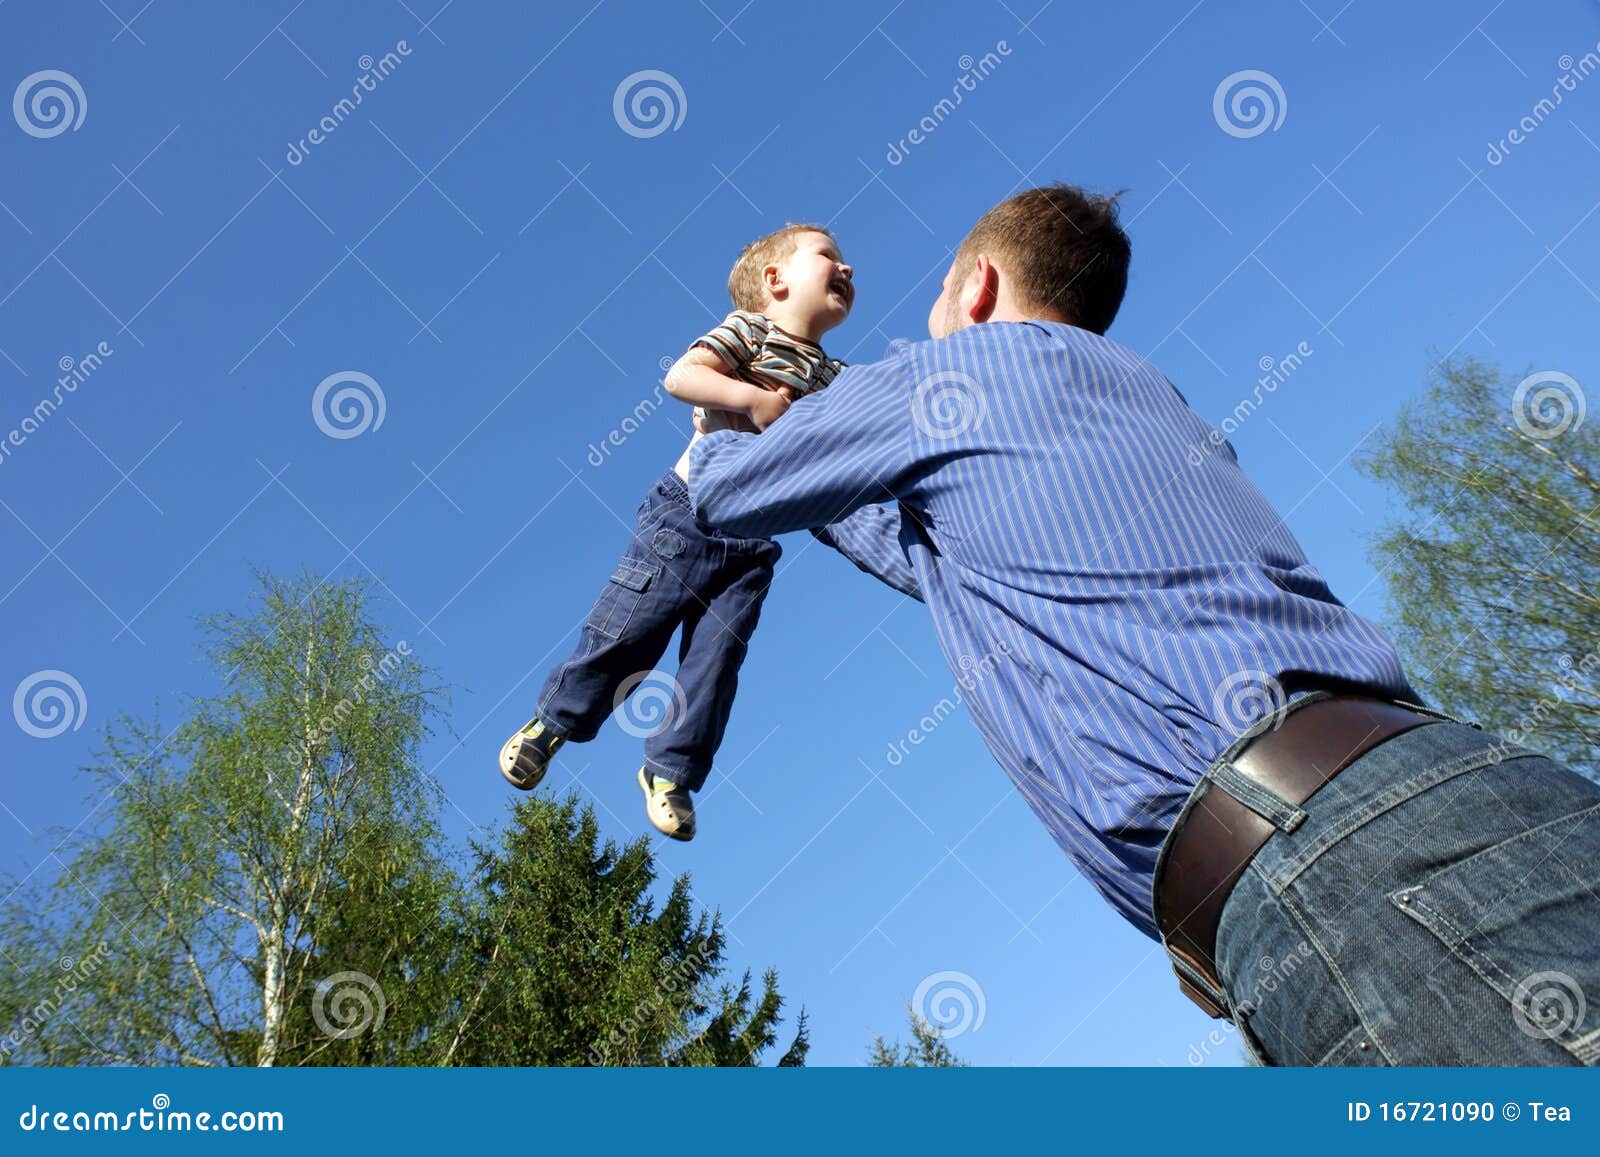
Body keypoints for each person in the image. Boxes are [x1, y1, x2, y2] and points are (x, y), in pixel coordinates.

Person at [684, 184, 1600, 1066]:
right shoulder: (1145, 389)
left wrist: (723, 409)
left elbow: (724, 494)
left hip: (1342, 870)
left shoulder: (941, 372)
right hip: (1476, 788)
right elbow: (955, 563)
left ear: (980, 290)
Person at [498, 224, 854, 842]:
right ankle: (553, 722)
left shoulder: (833, 376)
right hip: (687, 514)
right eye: (830, 257)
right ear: (776, 281)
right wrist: (750, 399)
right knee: (630, 628)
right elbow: (683, 377)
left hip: (753, 543)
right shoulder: (749, 330)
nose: (847, 270)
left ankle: (670, 771)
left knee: (716, 662)